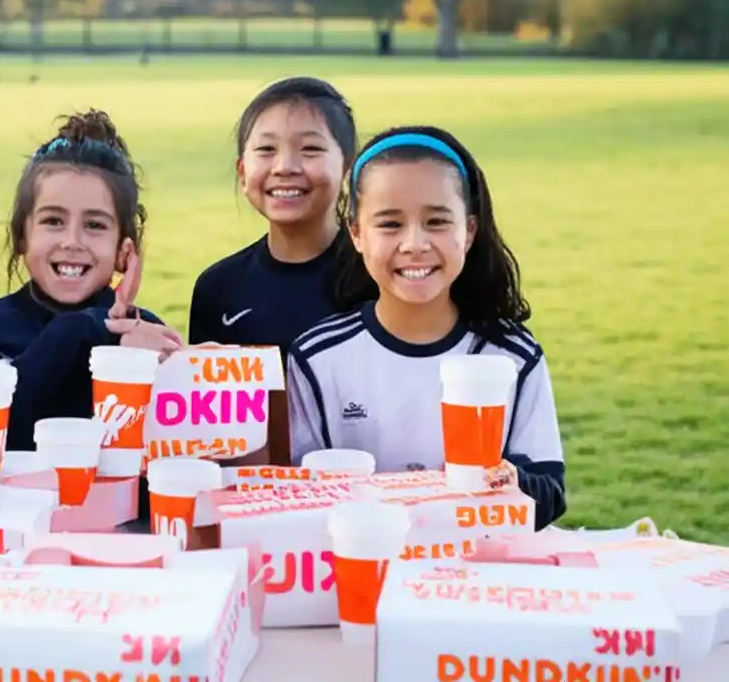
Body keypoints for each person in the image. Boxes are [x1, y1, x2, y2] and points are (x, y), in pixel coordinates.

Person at [287, 125, 567, 530]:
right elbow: (298, 499)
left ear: (468, 231)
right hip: (365, 571)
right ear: (357, 234)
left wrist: (510, 482)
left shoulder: (511, 355)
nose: (414, 243)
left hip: (477, 573)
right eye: (389, 224)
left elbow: (550, 492)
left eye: (436, 221)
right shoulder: (317, 357)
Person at [0, 109, 181, 451]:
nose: (72, 241)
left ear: (124, 250)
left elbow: (171, 458)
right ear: (21, 237)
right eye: (53, 221)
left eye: (95, 225)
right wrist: (79, 331)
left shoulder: (142, 334)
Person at [188, 77, 357, 352]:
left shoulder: (377, 278)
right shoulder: (218, 288)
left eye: (310, 149)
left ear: (347, 168)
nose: (284, 167)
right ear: (242, 172)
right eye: (266, 149)